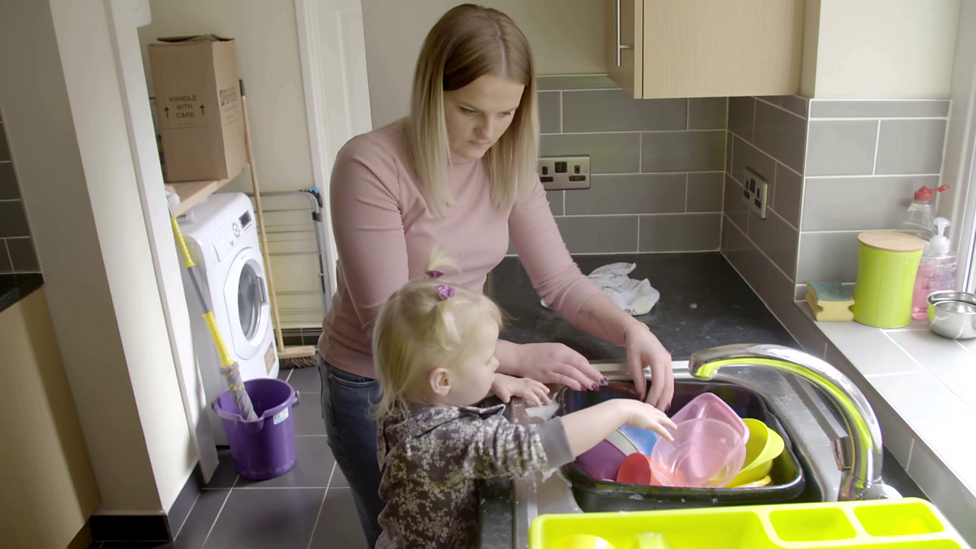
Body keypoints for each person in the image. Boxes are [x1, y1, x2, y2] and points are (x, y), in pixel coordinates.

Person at [317, 4, 675, 547]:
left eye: (507, 113)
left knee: (460, 521)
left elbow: (558, 280)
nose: (489, 131)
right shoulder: (370, 166)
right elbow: (389, 321)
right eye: (469, 110)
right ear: (429, 90)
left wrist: (632, 331)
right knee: (401, 530)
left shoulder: (506, 162)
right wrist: (513, 358)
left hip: (462, 369)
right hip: (375, 383)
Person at [371, 263, 676, 548]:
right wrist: (620, 411)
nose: (496, 363)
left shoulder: (405, 397)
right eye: (488, 360)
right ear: (443, 381)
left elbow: (445, 387)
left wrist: (492, 380)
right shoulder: (444, 440)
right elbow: (537, 446)